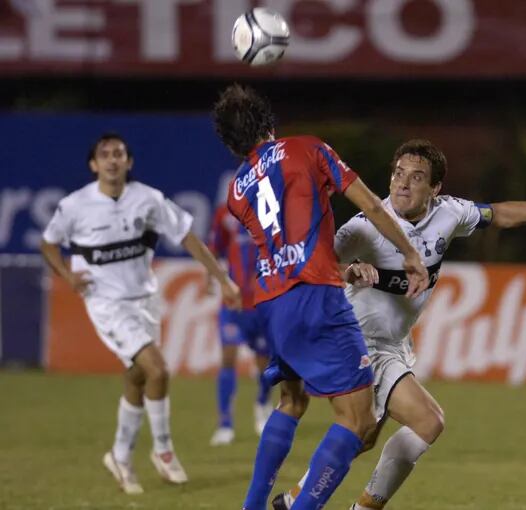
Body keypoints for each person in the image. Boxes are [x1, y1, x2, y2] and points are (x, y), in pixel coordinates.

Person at [273, 139, 526, 510]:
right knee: (427, 422)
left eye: (416, 177)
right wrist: (348, 270)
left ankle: (295, 498)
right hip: (358, 341)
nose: (403, 184)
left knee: (362, 437)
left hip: (393, 343)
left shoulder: (450, 213)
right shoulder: (365, 226)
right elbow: (318, 265)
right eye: (398, 174)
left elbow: (499, 214)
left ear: (435, 188)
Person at [212, 84, 429, 510]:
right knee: (359, 421)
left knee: (291, 401)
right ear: (268, 122)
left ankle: (252, 506)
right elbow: (371, 205)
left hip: (272, 300)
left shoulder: (236, 191)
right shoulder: (308, 149)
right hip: (316, 296)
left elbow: (288, 235)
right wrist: (409, 254)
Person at [39, 132, 242, 494]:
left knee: (137, 375)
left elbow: (187, 236)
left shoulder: (147, 199)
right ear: (94, 164)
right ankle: (163, 450)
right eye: (105, 155)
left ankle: (119, 454)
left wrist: (222, 279)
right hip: (106, 303)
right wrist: (67, 275)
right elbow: (48, 243)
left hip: (144, 300)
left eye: (119, 154)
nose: (113, 160)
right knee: (158, 369)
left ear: (129, 162)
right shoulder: (75, 205)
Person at [207, 203, 274, 446]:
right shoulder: (226, 212)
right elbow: (215, 247)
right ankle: (225, 424)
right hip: (233, 301)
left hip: (263, 302)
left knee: (264, 362)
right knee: (227, 358)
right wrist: (210, 276)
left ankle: (262, 402)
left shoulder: (272, 209)